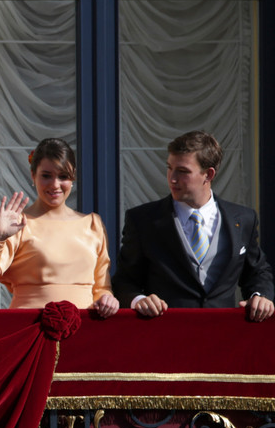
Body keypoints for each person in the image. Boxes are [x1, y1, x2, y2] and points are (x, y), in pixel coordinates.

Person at [113, 130, 273, 321]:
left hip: (223, 335)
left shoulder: (244, 219)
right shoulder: (143, 220)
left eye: (182, 171)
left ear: (208, 174)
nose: (172, 178)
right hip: (165, 334)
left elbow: (257, 272)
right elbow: (124, 281)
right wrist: (138, 300)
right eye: (169, 168)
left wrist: (259, 296)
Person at [0, 138, 118, 316]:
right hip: (29, 328)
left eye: (63, 176)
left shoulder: (93, 224)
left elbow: (102, 288)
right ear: (33, 175)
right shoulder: (18, 224)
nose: (55, 184)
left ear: (73, 178)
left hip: (83, 330)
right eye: (46, 175)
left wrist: (107, 299)